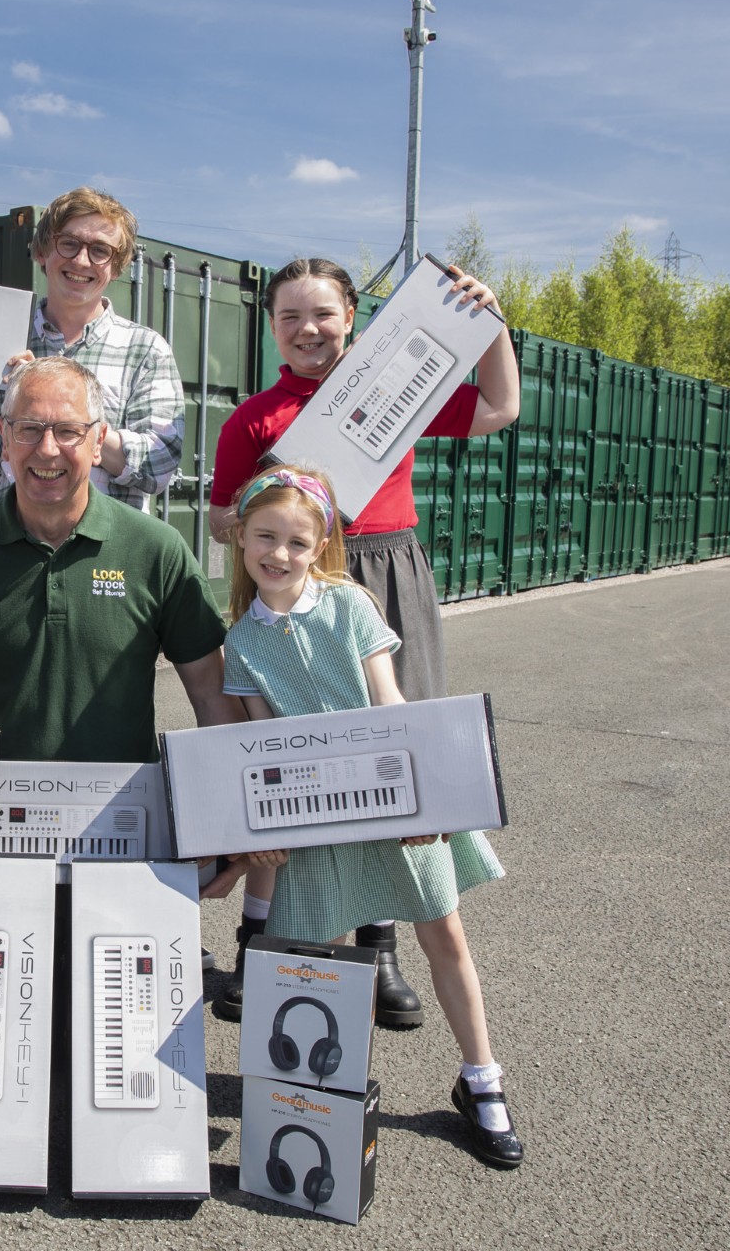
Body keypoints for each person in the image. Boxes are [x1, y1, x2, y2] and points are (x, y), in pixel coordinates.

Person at [207, 257, 520, 1027]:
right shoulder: (254, 418)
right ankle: (268, 935)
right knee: (300, 757)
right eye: (289, 318)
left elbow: (499, 407)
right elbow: (222, 518)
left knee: (392, 747)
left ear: (351, 315)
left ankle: (381, 944)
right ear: (272, 326)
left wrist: (490, 323)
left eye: (322, 314)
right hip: (298, 578)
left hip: (387, 569)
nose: (307, 330)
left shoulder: (391, 389)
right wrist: (280, 538)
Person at [222, 465, 523, 1170]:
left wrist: (425, 799)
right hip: (319, 829)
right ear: (240, 538)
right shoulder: (240, 643)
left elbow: (389, 703)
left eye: (298, 542)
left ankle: (481, 1080)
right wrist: (264, 834)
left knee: (443, 932)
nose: (280, 555)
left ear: (320, 544)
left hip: (391, 805)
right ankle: (329, 1093)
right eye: (265, 537)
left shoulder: (349, 604)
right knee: (325, 962)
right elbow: (264, 748)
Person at [0, 355, 235, 895]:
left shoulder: (156, 549)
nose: (47, 449)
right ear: (3, 436)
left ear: (98, 442)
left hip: (128, 830)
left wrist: (226, 819)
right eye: (28, 428)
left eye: (69, 431)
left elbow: (213, 698)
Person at [0, 186, 184, 515]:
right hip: (15, 546)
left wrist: (72, 419)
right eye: (68, 243)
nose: (81, 260)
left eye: (100, 250)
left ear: (116, 267)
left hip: (106, 555)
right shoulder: (6, 340)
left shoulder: (145, 350)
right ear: (41, 252)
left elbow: (159, 465)